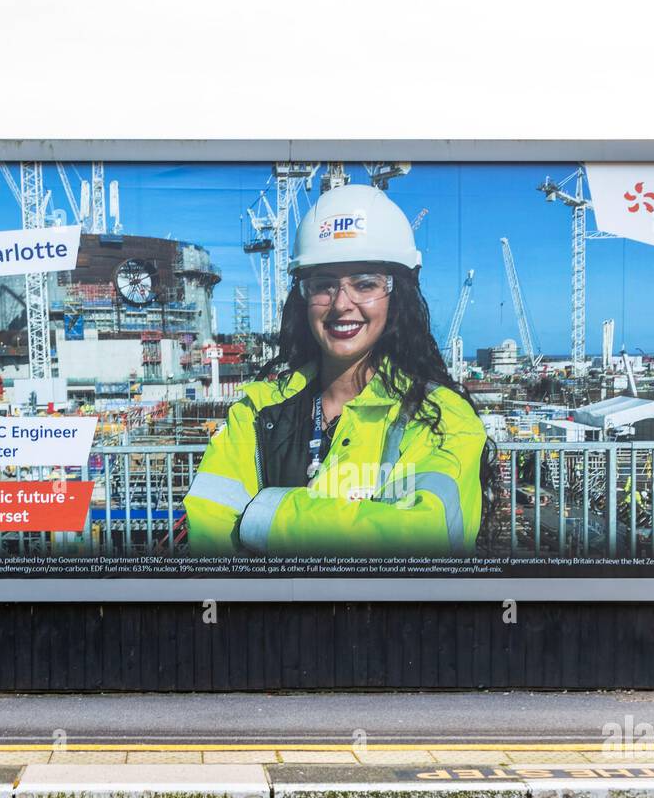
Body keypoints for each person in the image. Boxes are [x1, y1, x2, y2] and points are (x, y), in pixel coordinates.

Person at [183, 182, 492, 559]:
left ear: (398, 297)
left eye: (365, 284)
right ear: (303, 298)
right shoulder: (257, 411)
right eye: (324, 285)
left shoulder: (442, 417)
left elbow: (427, 538)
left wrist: (265, 513)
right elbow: (210, 532)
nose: (342, 304)